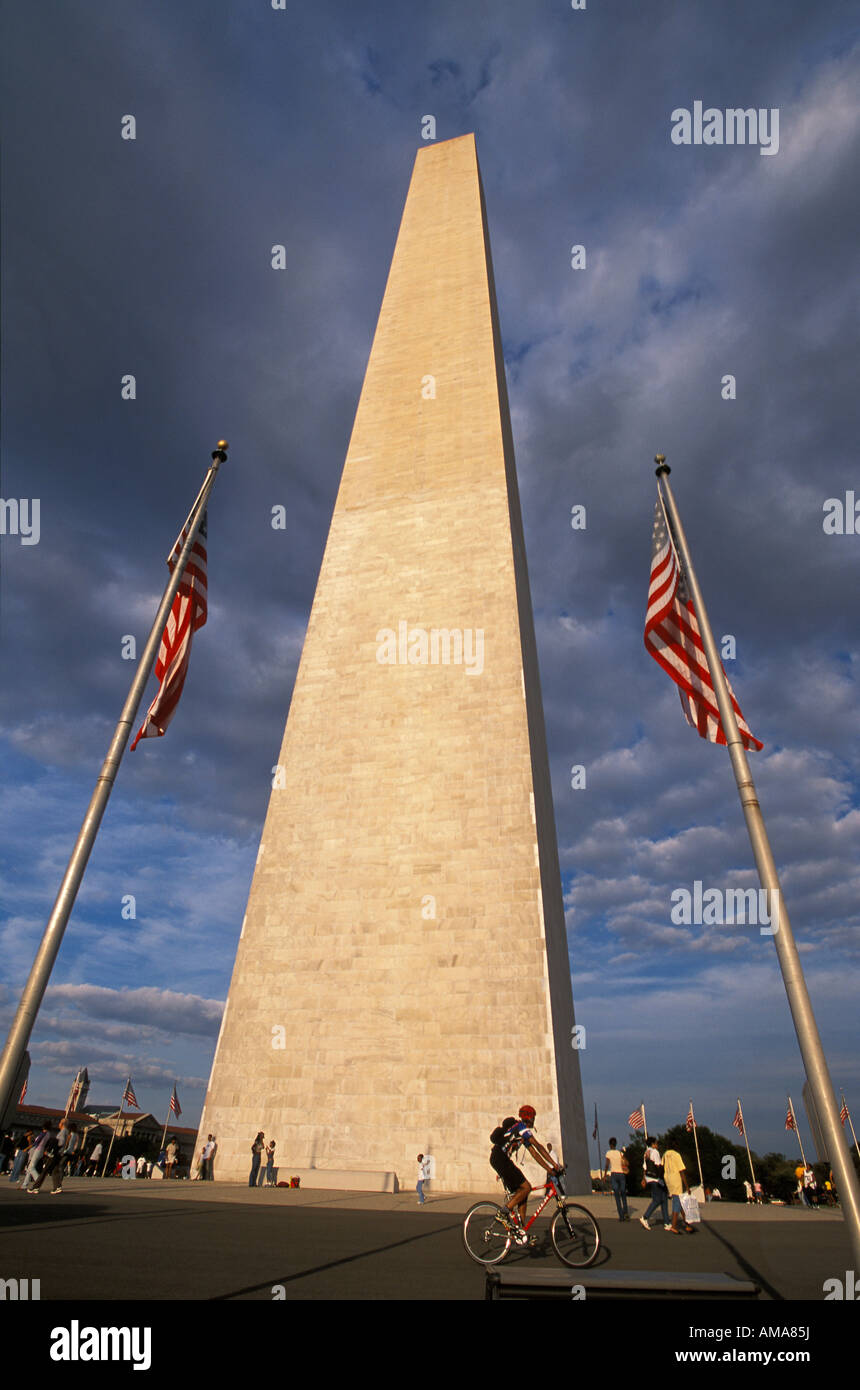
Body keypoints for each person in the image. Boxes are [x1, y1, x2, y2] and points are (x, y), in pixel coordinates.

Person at [489, 1105, 560, 1237]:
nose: (534, 1120)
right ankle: (503, 1213)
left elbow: (535, 1154)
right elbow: (539, 1147)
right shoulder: (521, 1128)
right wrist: (554, 1165)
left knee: (523, 1192)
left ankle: (522, 1230)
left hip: (499, 1158)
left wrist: (549, 1169)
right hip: (500, 1158)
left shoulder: (519, 1132)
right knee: (526, 1187)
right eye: (533, 1118)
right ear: (529, 1118)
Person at [639, 1136, 670, 1231]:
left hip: (649, 1177)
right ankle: (645, 1217)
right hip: (656, 1179)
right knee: (657, 1199)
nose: (657, 1145)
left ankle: (667, 1222)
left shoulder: (646, 1152)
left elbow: (645, 1167)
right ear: (652, 1144)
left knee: (664, 1198)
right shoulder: (655, 1152)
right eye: (656, 1143)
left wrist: (644, 1178)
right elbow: (658, 1165)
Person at [662, 1145, 694, 1233]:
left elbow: (662, 1165)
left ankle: (687, 1224)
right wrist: (687, 1186)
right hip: (676, 1180)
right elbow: (681, 1171)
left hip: (668, 1179)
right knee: (677, 1202)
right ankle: (673, 1226)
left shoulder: (665, 1154)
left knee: (680, 1202)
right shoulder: (676, 1155)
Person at [603, 1138, 629, 1222]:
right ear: (616, 1144)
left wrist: (605, 1175)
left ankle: (621, 1216)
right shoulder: (620, 1153)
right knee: (623, 1194)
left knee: (617, 1196)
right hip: (621, 1174)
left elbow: (607, 1164)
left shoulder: (608, 1153)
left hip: (614, 1174)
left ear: (610, 1144)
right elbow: (625, 1162)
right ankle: (626, 1213)